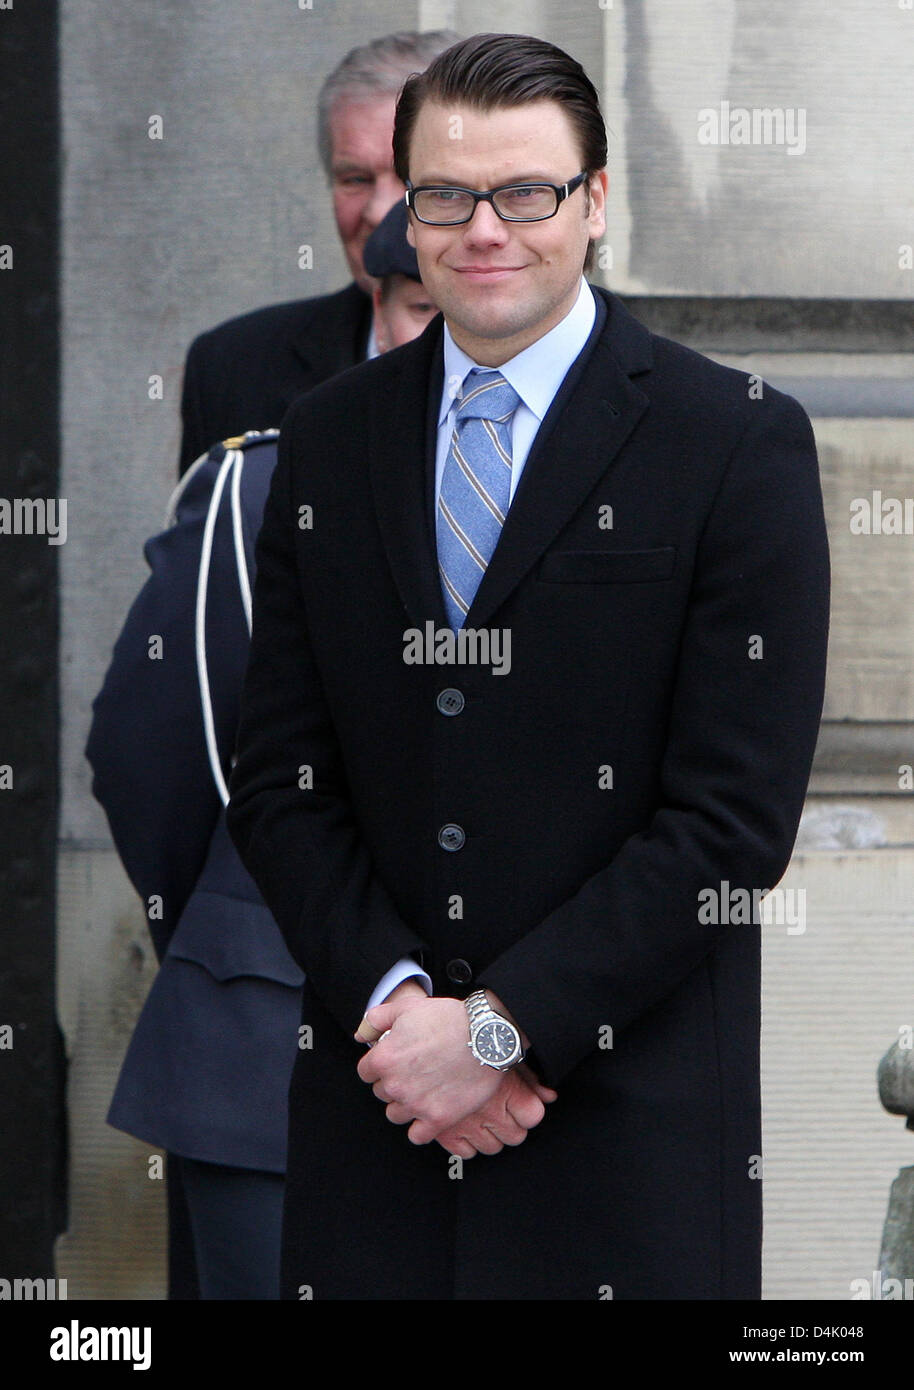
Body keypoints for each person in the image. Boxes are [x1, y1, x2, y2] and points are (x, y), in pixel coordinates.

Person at [226, 32, 831, 1300]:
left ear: (595, 202)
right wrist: (405, 1016)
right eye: (442, 195)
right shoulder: (328, 441)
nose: (482, 229)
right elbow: (279, 774)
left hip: (623, 1145)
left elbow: (729, 819)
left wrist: (499, 1033)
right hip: (377, 1124)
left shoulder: (735, 439)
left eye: (526, 192)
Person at [87, 203, 439, 1298]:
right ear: (373, 313)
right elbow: (154, 754)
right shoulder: (257, 487)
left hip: (525, 1061)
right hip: (266, 1052)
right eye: (423, 307)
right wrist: (237, 932)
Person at [177, 28, 458, 476]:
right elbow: (214, 541)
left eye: (409, 177)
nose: (378, 210)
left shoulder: (604, 354)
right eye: (355, 179)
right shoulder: (233, 368)